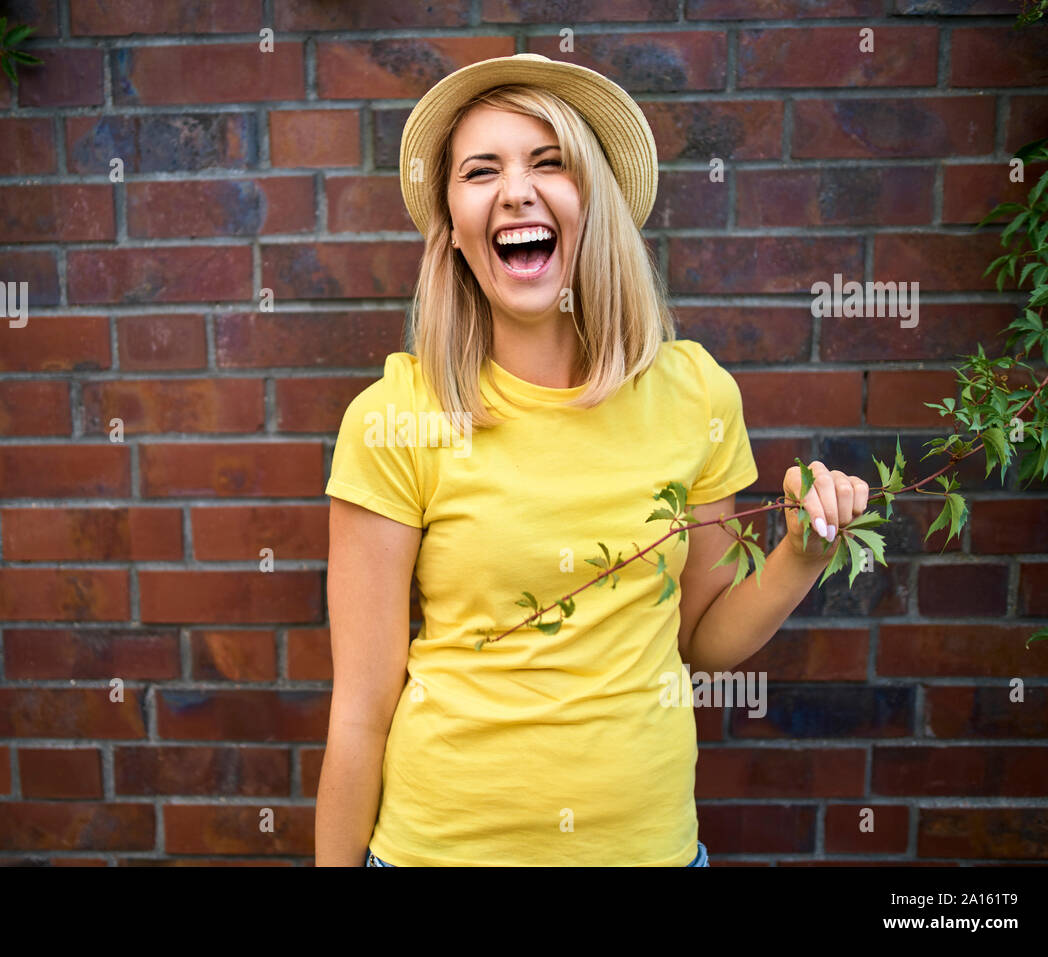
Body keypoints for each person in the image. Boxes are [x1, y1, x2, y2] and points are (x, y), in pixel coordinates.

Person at [314, 53, 869, 867]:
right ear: (455, 223)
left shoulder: (694, 395)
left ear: (595, 201)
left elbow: (702, 637)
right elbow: (360, 710)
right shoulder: (397, 418)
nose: (516, 190)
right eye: (481, 171)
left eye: (551, 162)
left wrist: (804, 549)